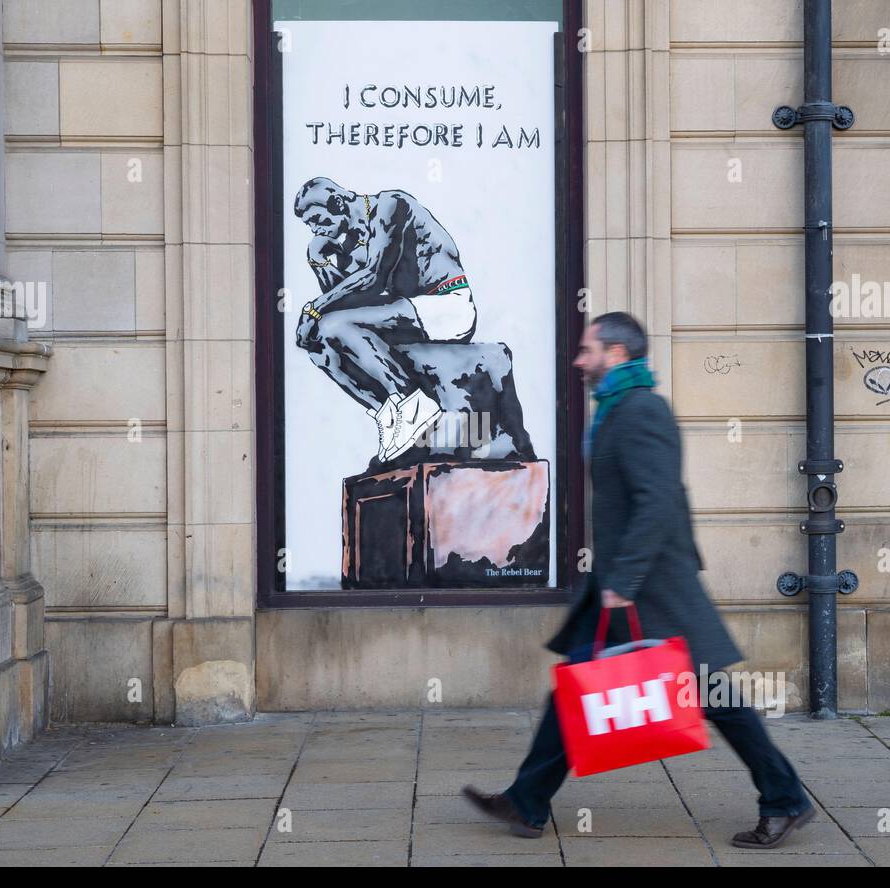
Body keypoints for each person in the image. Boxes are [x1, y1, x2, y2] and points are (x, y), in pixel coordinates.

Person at [462, 311, 816, 849]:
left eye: (588, 351)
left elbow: (658, 501)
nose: (580, 361)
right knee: (576, 688)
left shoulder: (643, 411)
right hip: (626, 582)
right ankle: (527, 800)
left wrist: (624, 578)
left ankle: (785, 800)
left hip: (653, 586)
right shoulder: (616, 410)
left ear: (617, 354)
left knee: (717, 697)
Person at [293, 177, 478, 462]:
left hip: (444, 304)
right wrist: (319, 262)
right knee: (321, 348)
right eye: (311, 226)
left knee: (332, 325)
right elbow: (342, 299)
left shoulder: (390, 205)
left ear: (338, 203)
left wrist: (313, 310)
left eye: (317, 219)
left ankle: (412, 403)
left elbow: (373, 279)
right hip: (407, 310)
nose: (317, 230)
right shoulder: (348, 243)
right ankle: (389, 414)